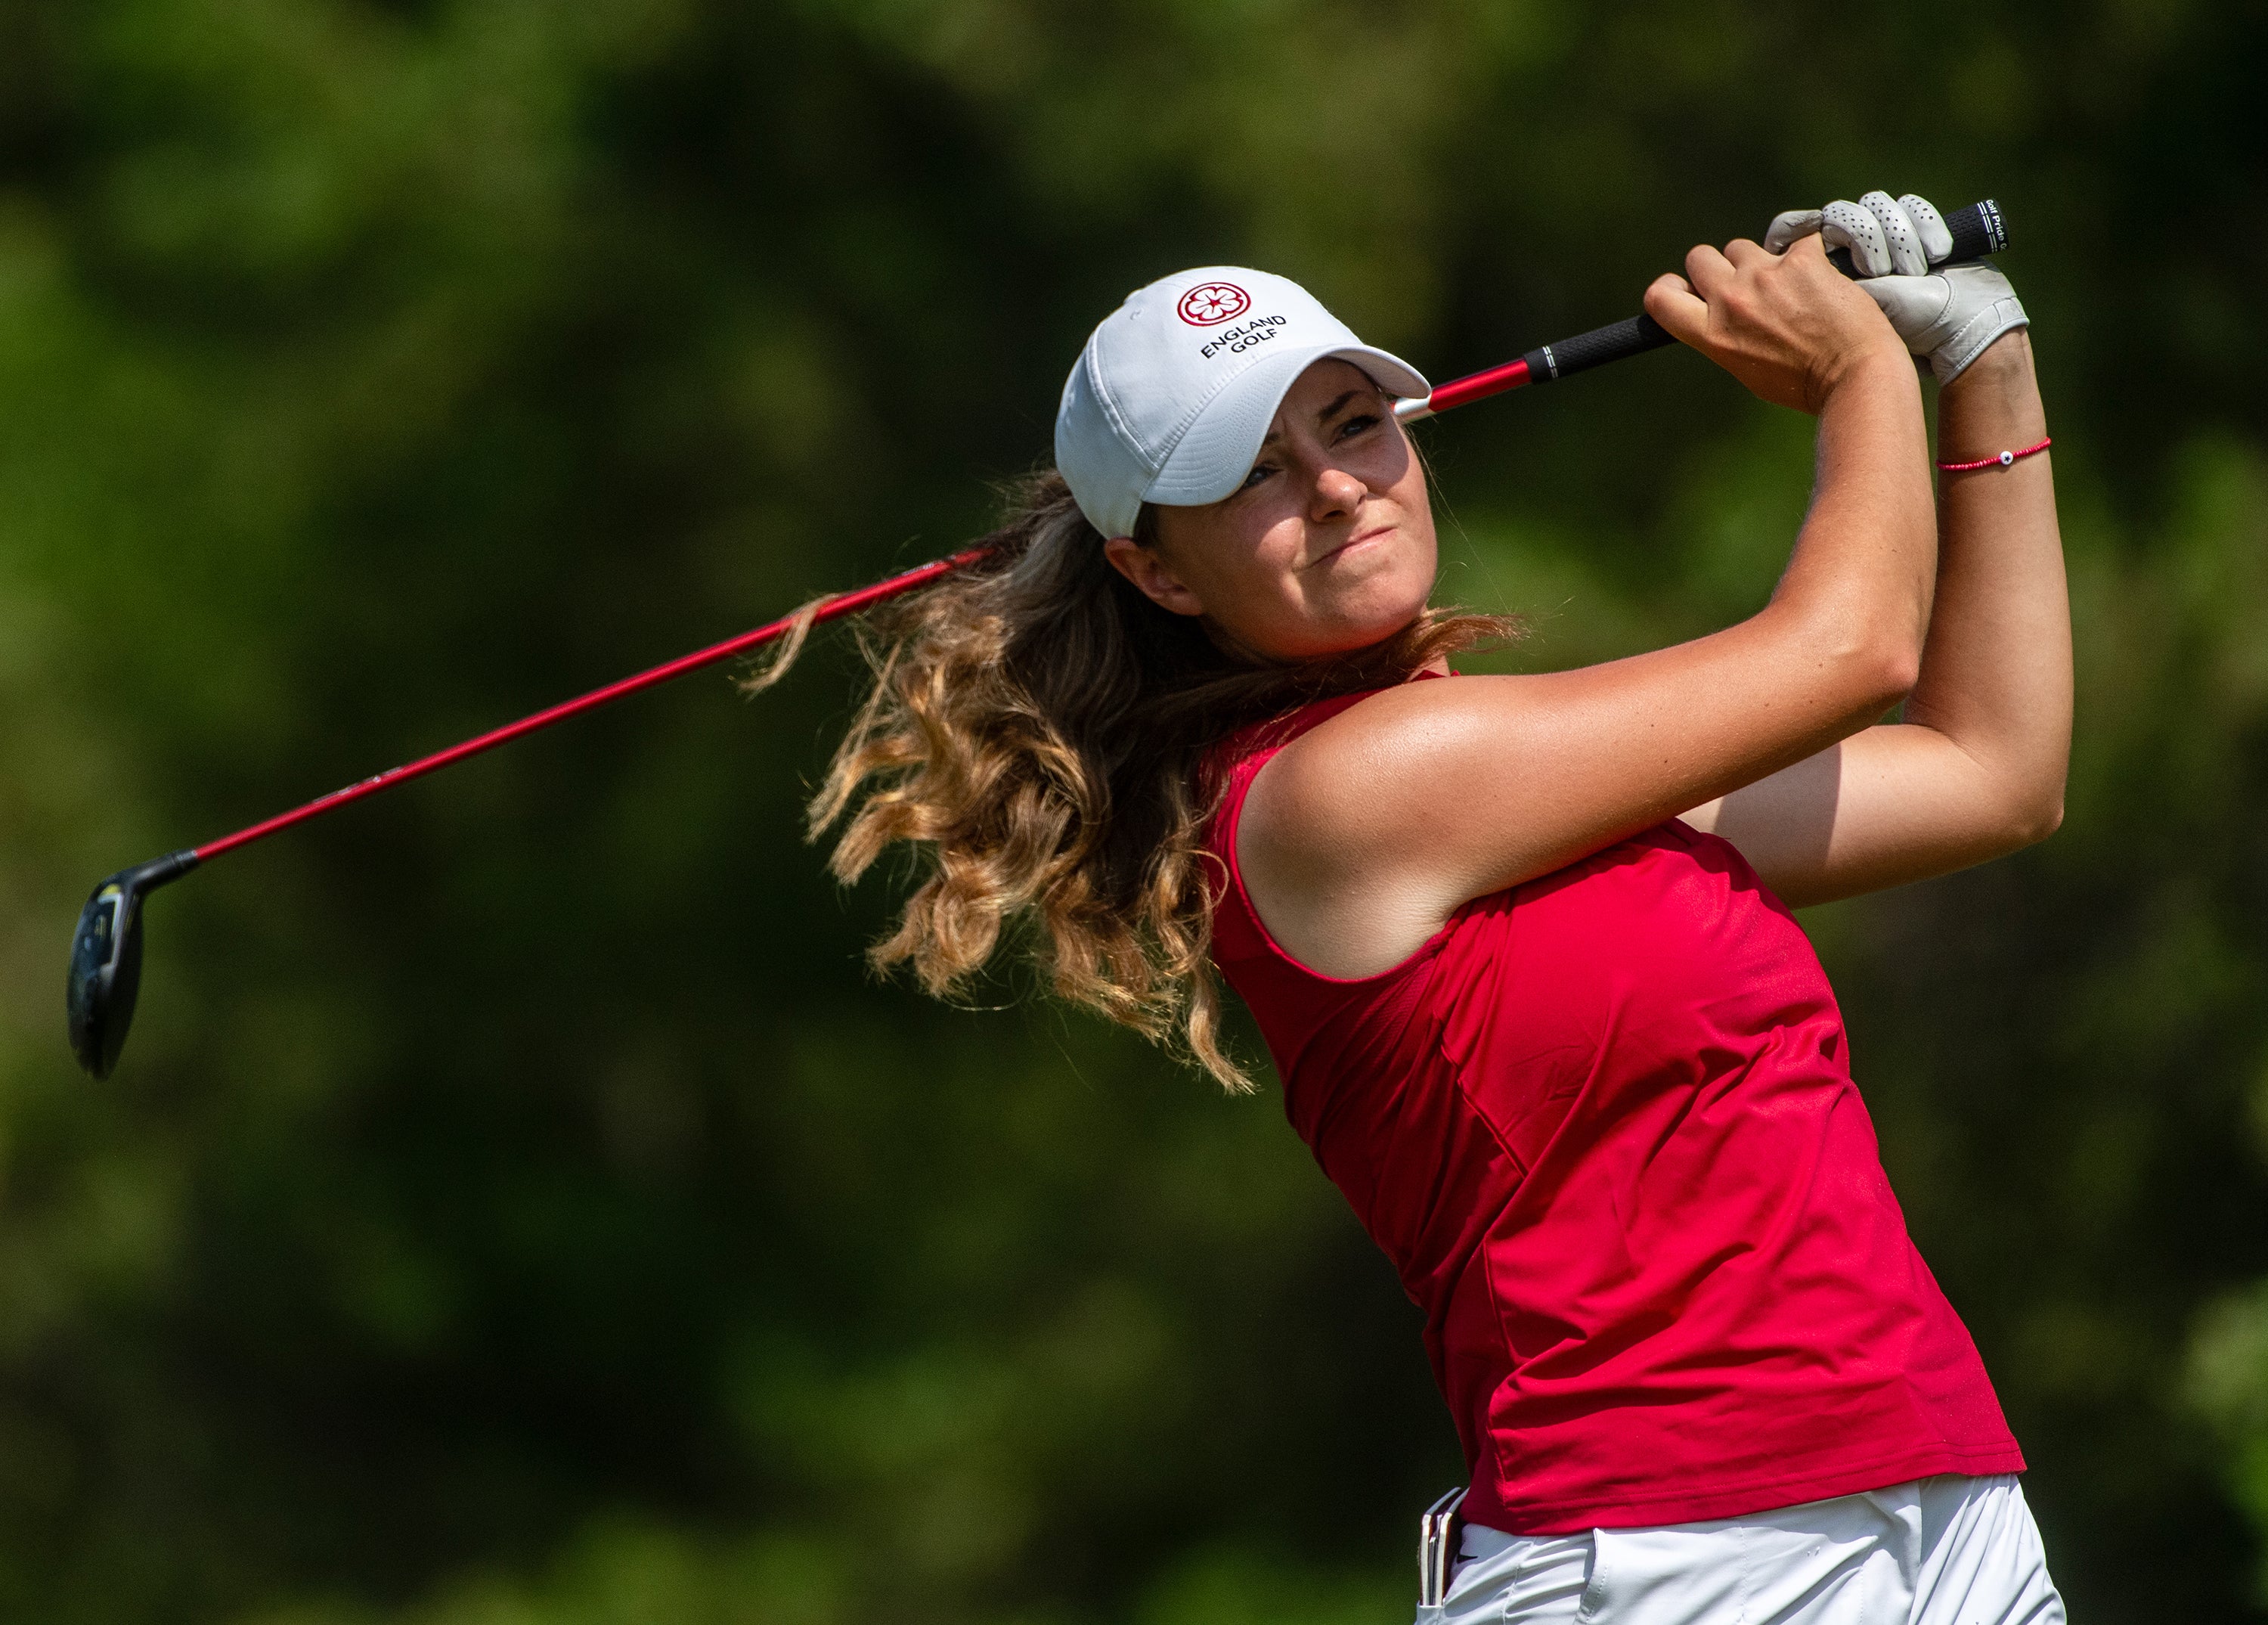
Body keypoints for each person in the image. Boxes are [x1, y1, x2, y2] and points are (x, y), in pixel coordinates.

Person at [806, 189, 2070, 1623]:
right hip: (1667, 1556)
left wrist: (1987, 367)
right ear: (1156, 571)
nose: (1336, 485)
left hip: (1945, 1505)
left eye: (1352, 423)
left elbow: (1991, 773)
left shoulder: (1527, 777)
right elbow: (1851, 649)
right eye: (1252, 472)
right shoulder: (1341, 795)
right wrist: (1856, 370)